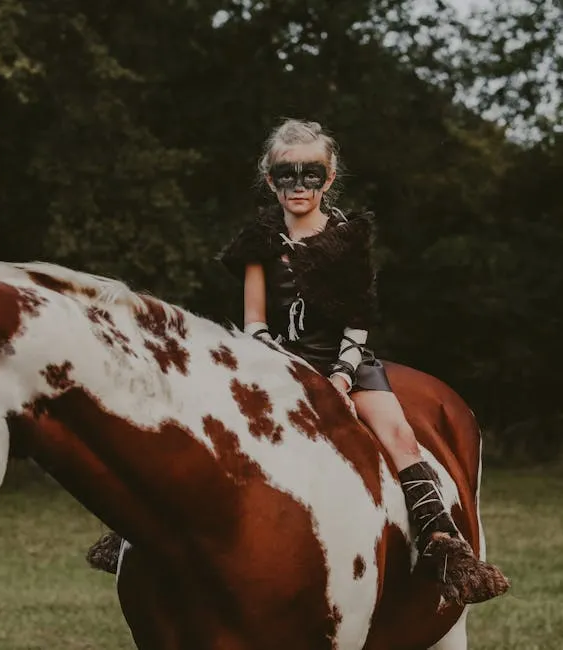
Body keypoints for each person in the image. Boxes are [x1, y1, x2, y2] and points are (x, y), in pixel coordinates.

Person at [216, 118, 509, 605]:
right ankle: (137, 531)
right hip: (277, 360)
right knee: (211, 416)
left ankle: (442, 543)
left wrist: (339, 377)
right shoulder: (259, 243)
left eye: (311, 174)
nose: (298, 186)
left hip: (346, 361)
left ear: (329, 178)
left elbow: (357, 319)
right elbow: (253, 321)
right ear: (270, 179)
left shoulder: (349, 239)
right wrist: (282, 367)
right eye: (286, 174)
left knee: (398, 435)